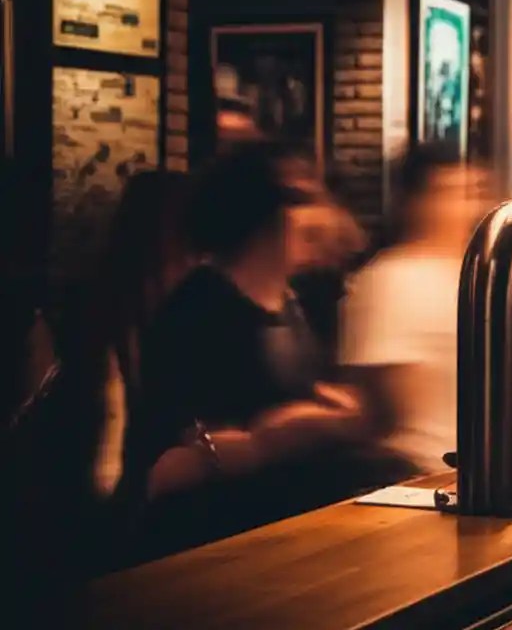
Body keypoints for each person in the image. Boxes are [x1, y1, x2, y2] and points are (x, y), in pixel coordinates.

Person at [125, 150, 373, 557]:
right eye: (298, 199)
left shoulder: (295, 303)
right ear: (257, 214)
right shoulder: (200, 307)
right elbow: (164, 465)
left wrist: (338, 416)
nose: (320, 215)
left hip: (292, 537)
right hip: (214, 549)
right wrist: (269, 440)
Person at [340, 152, 512, 472]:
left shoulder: (488, 274)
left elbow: (511, 370)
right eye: (454, 194)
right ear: (417, 204)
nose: (472, 207)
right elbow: (385, 408)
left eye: (478, 192)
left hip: (508, 460)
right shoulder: (391, 280)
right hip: (432, 469)